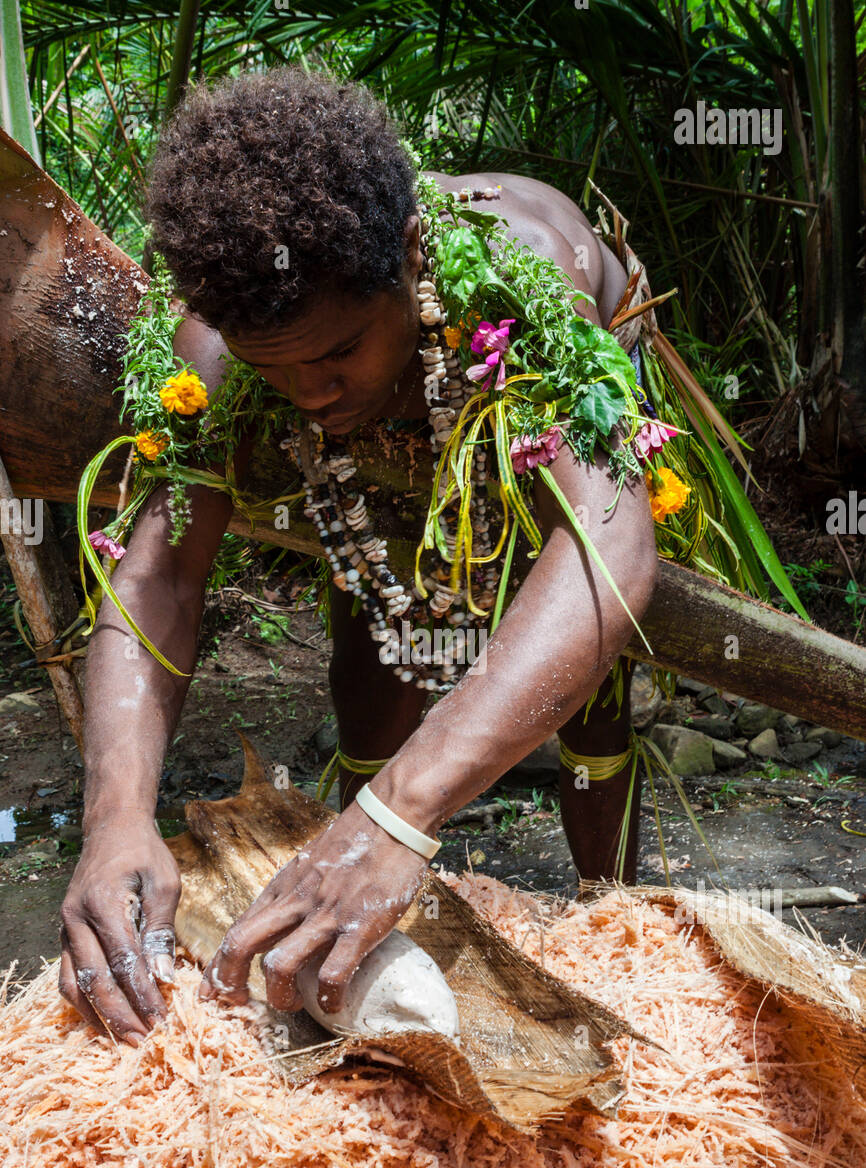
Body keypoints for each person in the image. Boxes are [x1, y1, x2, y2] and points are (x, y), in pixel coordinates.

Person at [58, 65, 665, 1044]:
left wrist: (397, 819)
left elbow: (605, 549)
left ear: (407, 268)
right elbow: (159, 571)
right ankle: (357, 919)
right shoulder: (220, 346)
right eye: (274, 369)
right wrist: (116, 817)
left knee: (592, 703)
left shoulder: (522, 295)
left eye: (336, 353)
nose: (307, 392)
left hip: (515, 422)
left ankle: (610, 916)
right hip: (376, 466)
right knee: (372, 649)